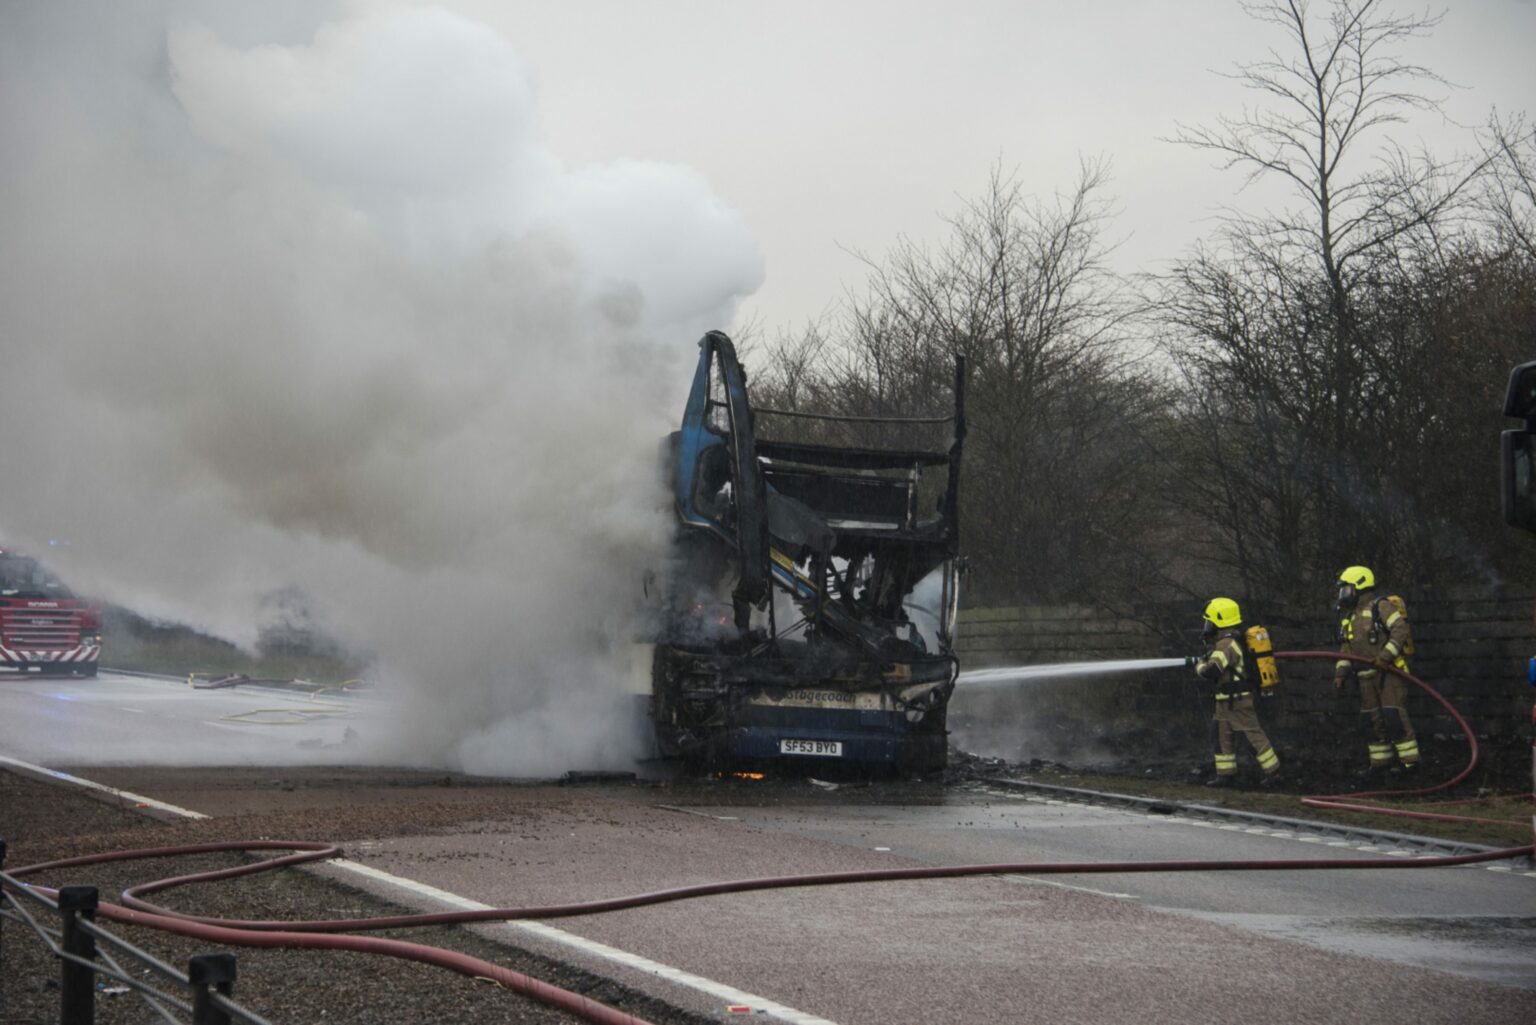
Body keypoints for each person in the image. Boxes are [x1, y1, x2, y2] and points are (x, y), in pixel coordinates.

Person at [1333, 565, 1419, 775]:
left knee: (1393, 716)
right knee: (1371, 722)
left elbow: (1400, 630)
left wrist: (1385, 657)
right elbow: (1346, 649)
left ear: (1360, 587)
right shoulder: (1350, 617)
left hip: (1389, 674)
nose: (1343, 595)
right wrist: (1340, 674)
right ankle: (1380, 764)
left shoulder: (1381, 607)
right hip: (1364, 677)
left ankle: (1410, 765)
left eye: (1347, 589)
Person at [1190, 597, 1281, 787]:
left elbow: (1212, 671)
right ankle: (1225, 775)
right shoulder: (1230, 642)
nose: (1207, 626)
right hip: (1226, 701)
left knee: (1252, 736)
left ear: (1219, 621)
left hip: (1238, 701)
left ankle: (1275, 773)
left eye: (1209, 621)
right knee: (1220, 734)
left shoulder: (1226, 644)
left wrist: (1199, 666)